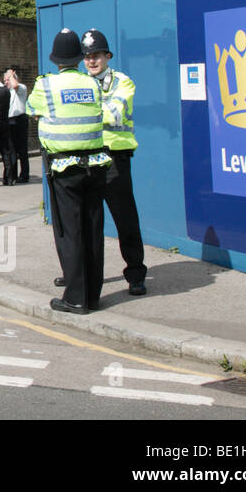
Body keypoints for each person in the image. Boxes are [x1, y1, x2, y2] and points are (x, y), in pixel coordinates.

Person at [28, 28, 110, 314]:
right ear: (79, 57)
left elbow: (31, 109)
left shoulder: (46, 85)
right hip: (96, 164)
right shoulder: (93, 84)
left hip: (64, 167)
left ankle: (75, 297)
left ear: (56, 59)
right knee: (93, 229)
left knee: (70, 232)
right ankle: (93, 295)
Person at [80, 28, 146, 296]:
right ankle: (80, 274)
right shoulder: (79, 82)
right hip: (85, 159)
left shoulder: (123, 81)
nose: (91, 61)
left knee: (125, 220)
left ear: (107, 56)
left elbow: (114, 114)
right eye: (86, 56)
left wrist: (80, 112)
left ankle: (136, 274)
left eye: (96, 55)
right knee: (84, 222)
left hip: (113, 159)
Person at [5, 67, 31, 183]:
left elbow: (15, 86)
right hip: (8, 120)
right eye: (5, 80)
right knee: (11, 150)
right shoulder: (5, 92)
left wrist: (11, 76)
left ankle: (24, 175)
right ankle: (13, 175)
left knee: (22, 150)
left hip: (19, 120)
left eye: (8, 79)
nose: (7, 82)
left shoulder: (21, 88)